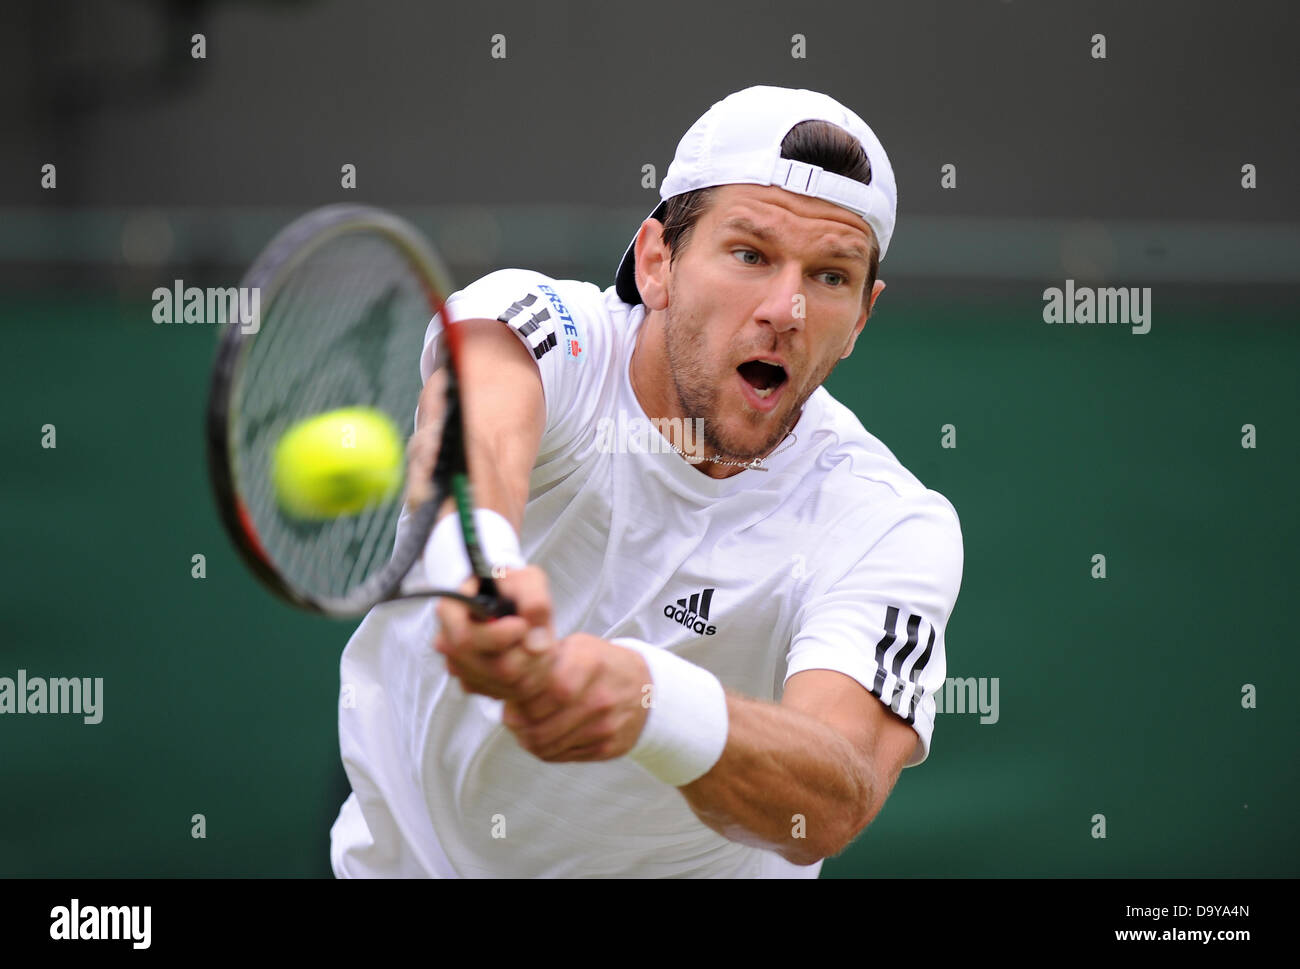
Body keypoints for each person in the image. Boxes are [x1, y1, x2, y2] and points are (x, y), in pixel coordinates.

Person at [329, 85, 964, 878]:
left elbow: (833, 796)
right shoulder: (547, 327)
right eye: (750, 254)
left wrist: (651, 702)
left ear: (862, 317)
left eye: (831, 276)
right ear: (658, 260)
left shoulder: (889, 521)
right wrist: (480, 569)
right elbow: (477, 435)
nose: (788, 307)